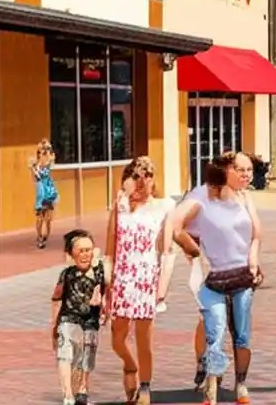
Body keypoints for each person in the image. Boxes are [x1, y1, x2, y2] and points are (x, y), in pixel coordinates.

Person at [171, 152, 262, 405]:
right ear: (227, 171)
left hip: (242, 275)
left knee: (241, 335)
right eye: (241, 170)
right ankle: (210, 385)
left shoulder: (245, 198)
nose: (246, 175)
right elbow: (177, 227)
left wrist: (254, 260)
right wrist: (195, 252)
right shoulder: (203, 197)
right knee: (215, 330)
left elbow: (256, 235)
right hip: (212, 277)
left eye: (249, 170)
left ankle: (240, 383)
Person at [104, 157, 173, 404]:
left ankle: (145, 386)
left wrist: (162, 288)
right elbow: (110, 249)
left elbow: (167, 251)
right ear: (127, 180)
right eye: (136, 176)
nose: (143, 181)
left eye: (148, 176)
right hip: (122, 279)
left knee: (144, 339)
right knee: (117, 338)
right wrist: (106, 283)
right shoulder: (120, 206)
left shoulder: (164, 206)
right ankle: (130, 364)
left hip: (146, 279)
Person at [51, 229, 105, 405]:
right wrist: (54, 325)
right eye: (80, 251)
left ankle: (82, 389)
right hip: (69, 318)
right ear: (71, 254)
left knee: (87, 354)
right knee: (65, 355)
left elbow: (109, 290)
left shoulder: (99, 272)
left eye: (88, 250)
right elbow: (56, 298)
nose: (85, 254)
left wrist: (104, 305)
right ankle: (68, 394)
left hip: (90, 320)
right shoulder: (67, 274)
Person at [32, 139, 60, 249]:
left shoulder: (48, 164)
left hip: (49, 193)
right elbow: (35, 178)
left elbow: (52, 156)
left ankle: (45, 237)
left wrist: (48, 147)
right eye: (41, 152)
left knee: (48, 219)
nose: (43, 153)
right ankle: (39, 237)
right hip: (41, 194)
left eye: (44, 151)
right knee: (40, 218)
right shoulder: (35, 166)